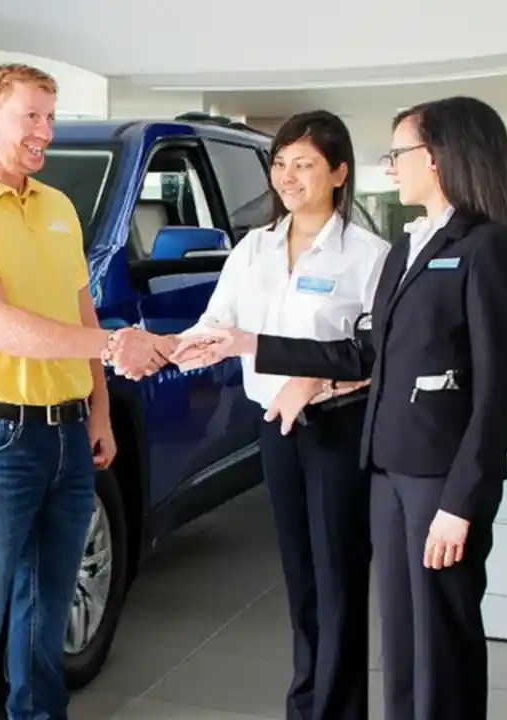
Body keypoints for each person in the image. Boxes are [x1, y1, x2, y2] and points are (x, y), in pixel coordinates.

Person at [174, 96, 507, 719]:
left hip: (432, 470)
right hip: (386, 463)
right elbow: (366, 352)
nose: (391, 165)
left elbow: (495, 390)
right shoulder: (411, 244)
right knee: (401, 637)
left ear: (442, 156)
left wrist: (461, 501)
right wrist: (201, 348)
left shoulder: (482, 246)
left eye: (401, 152)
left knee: (440, 637)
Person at [0, 62, 176, 719]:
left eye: (50, 117)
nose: (45, 132)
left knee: (45, 620)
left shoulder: (56, 207)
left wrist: (99, 407)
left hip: (66, 437)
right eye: (31, 116)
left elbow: (79, 308)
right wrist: (115, 347)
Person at [175, 110, 389, 720]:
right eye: (280, 164)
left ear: (340, 172)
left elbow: (379, 352)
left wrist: (315, 376)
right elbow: (218, 324)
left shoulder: (368, 257)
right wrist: (161, 350)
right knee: (301, 580)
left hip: (339, 427)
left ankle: (338, 709)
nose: (288, 177)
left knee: (339, 580)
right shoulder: (254, 247)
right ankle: (305, 707)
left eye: (305, 165)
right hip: (276, 426)